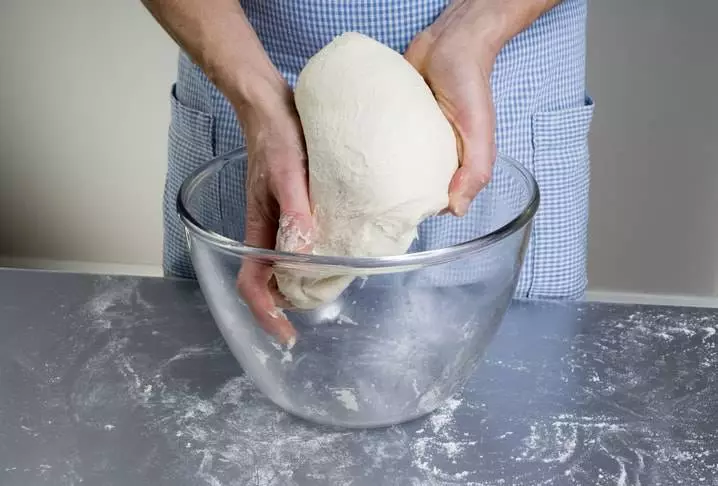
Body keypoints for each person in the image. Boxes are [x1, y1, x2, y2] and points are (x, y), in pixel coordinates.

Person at [142, 0, 594, 343]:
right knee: (236, 375)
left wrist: (475, 28)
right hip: (247, 72)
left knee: (511, 384)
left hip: (496, 78)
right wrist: (255, 97)